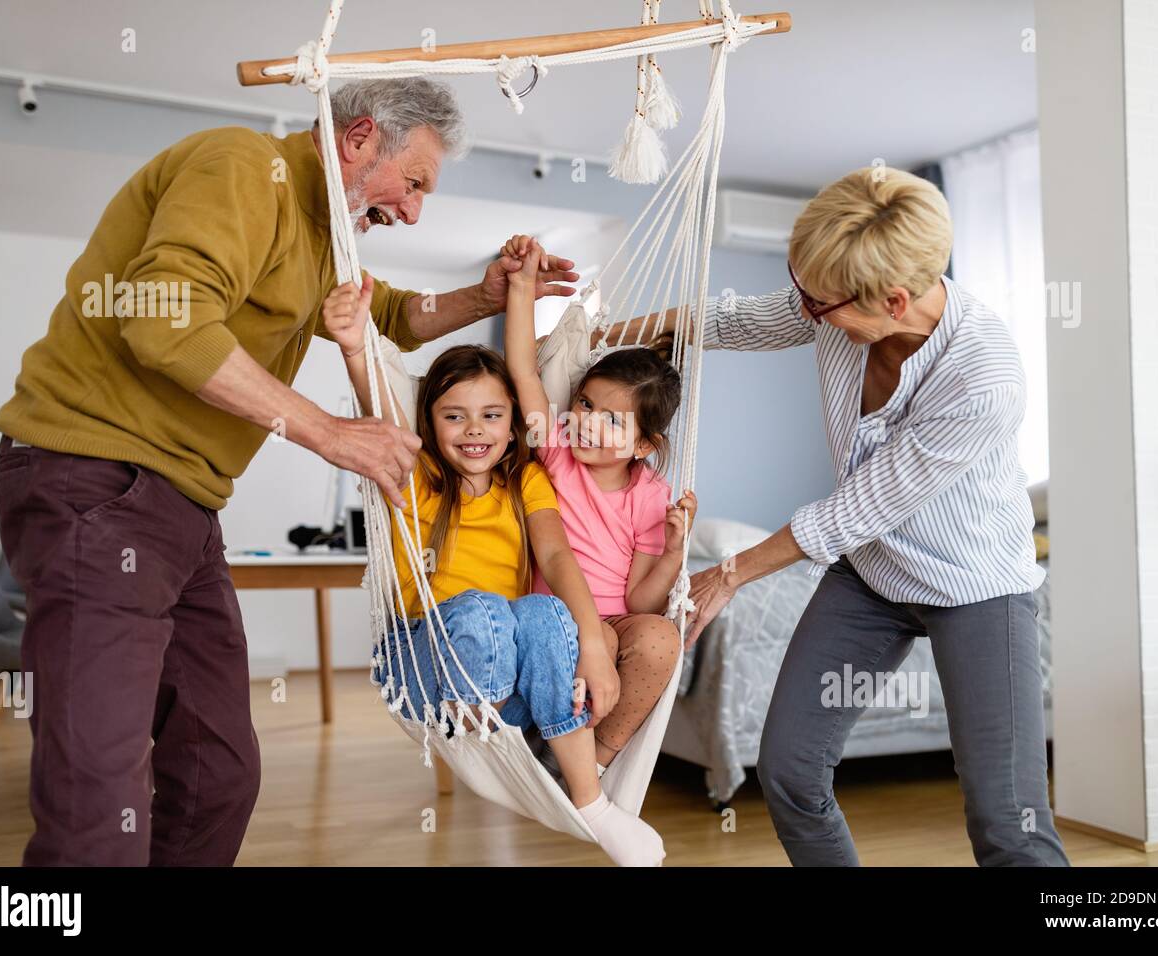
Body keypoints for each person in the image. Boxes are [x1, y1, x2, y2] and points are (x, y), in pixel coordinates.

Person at [0, 77, 579, 866]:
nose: (412, 212)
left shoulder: (324, 237)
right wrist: (331, 433)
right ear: (359, 136)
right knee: (97, 798)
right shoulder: (240, 166)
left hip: (185, 510)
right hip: (96, 477)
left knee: (219, 775)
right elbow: (164, 318)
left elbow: (394, 314)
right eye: (413, 185)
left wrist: (486, 292)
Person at [610, 166, 1069, 867]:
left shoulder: (984, 377)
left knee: (1009, 825)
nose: (803, 311)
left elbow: (860, 507)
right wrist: (608, 334)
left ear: (891, 299)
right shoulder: (826, 304)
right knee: (792, 773)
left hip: (977, 589)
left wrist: (729, 575)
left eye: (818, 305)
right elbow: (736, 319)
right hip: (872, 578)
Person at [322, 276, 666, 867]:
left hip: (505, 691)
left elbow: (557, 558)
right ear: (429, 425)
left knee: (539, 612)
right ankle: (480, 727)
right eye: (454, 416)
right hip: (427, 668)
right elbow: (380, 406)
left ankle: (591, 802)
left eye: (490, 415)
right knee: (482, 610)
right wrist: (356, 349)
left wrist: (590, 641)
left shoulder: (526, 481)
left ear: (514, 427)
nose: (474, 430)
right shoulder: (415, 477)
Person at [501, 234, 690, 772]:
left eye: (610, 418)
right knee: (600, 640)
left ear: (643, 445)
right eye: (584, 402)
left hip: (618, 618)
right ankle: (559, 747)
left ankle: (601, 760)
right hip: (558, 618)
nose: (585, 419)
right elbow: (522, 371)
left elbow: (643, 602)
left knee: (660, 638)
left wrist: (674, 555)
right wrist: (521, 289)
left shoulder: (649, 494)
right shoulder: (556, 451)